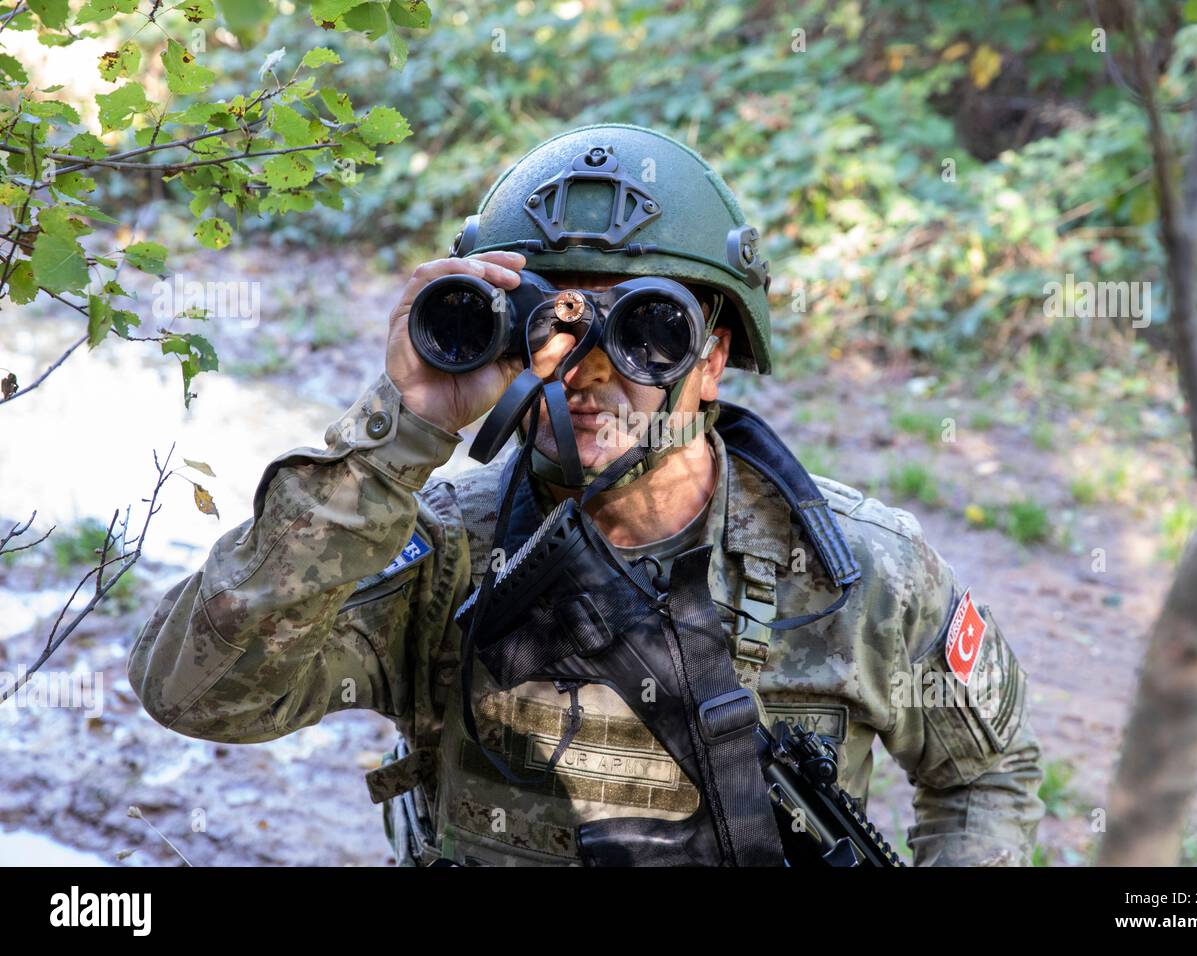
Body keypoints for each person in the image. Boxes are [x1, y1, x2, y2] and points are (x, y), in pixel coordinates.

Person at [129, 124, 1044, 866]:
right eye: (549, 321)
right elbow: (193, 694)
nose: (590, 369)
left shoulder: (859, 573)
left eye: (648, 329)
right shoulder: (442, 559)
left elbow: (986, 773)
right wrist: (399, 432)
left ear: (713, 357)